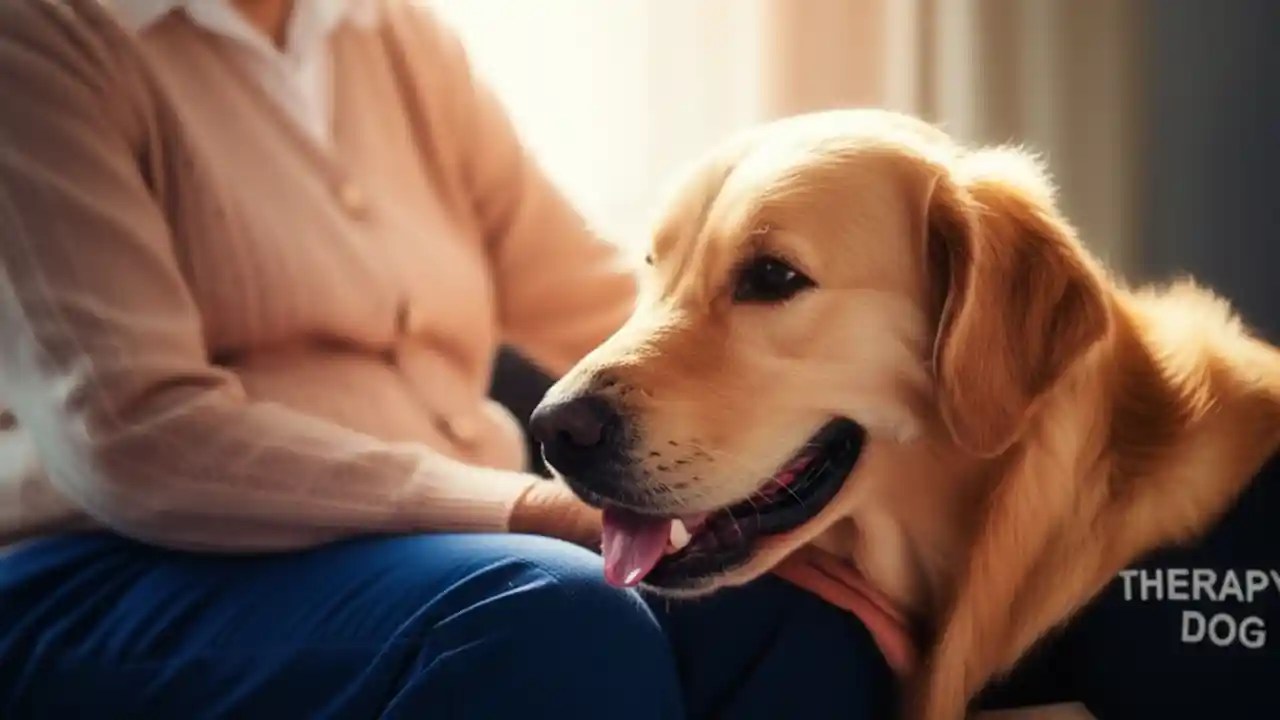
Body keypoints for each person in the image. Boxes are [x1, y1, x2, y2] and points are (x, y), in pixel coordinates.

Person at [0, 1, 893, 718]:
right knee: (547, 622)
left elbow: (598, 302)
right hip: (105, 564)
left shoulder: (394, 33)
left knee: (789, 623)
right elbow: (135, 439)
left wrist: (758, 454)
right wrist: (532, 509)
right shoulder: (41, 39)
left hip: (429, 548)